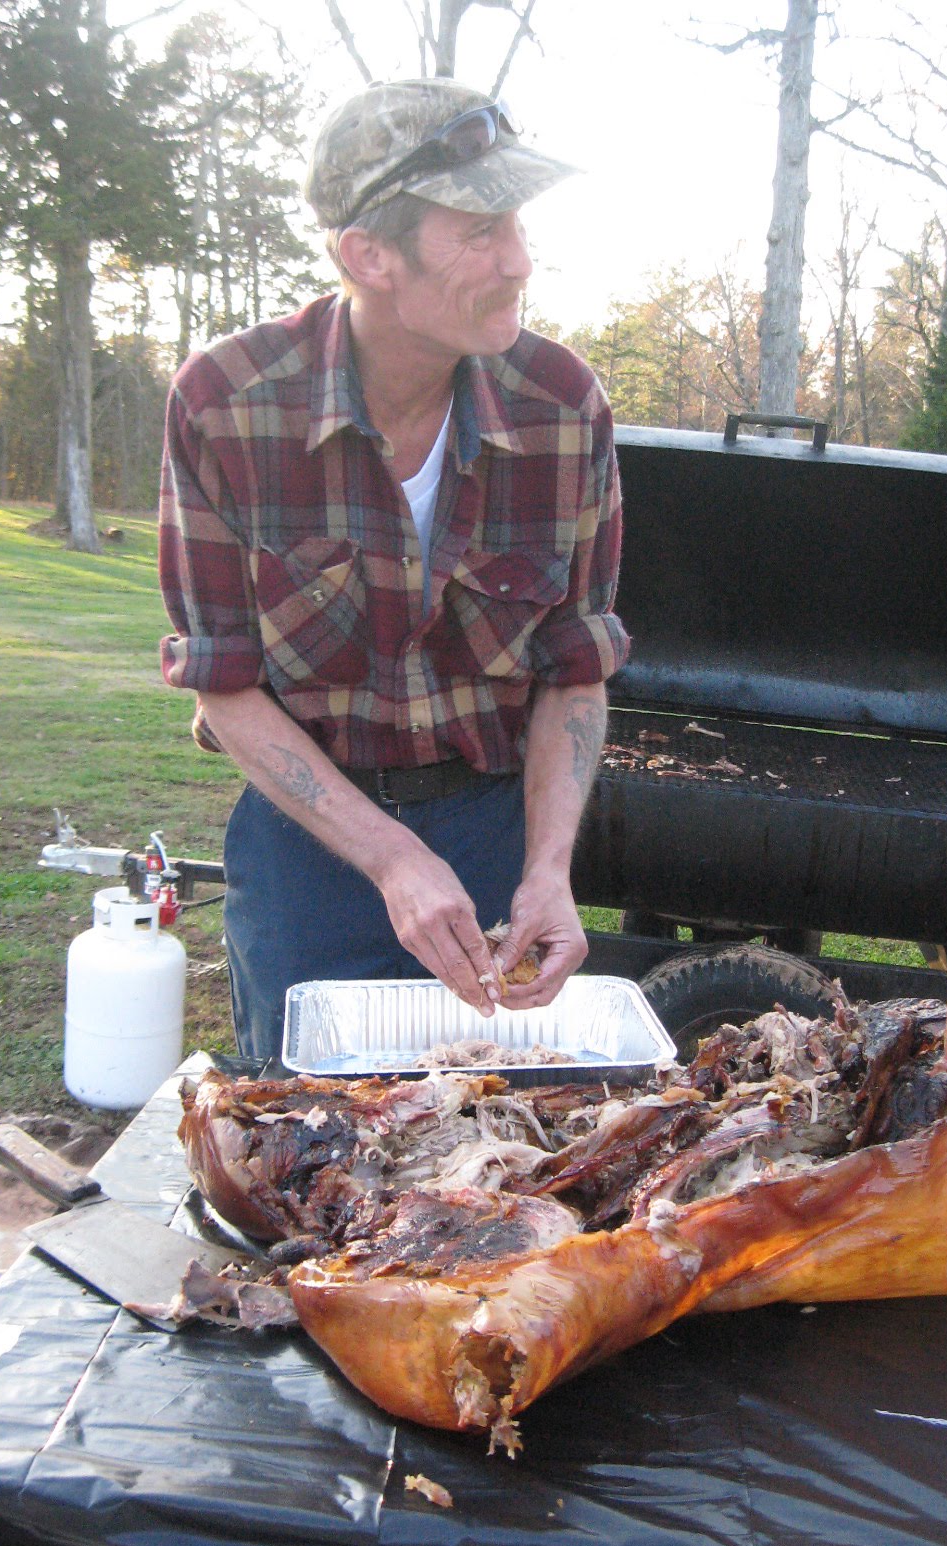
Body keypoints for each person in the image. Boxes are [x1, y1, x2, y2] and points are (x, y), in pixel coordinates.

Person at [159, 77, 629, 1061]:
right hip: (308, 845)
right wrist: (390, 856)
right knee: (303, 1125)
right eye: (481, 232)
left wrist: (549, 868)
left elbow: (575, 670)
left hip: (497, 835)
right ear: (368, 254)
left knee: (495, 1125)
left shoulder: (562, 406)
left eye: (518, 226)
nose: (519, 261)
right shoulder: (227, 406)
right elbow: (223, 686)